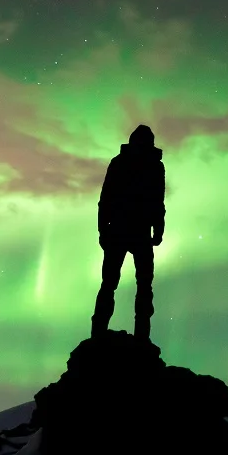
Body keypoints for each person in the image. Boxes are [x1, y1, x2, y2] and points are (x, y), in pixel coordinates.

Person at [92, 124, 166, 340]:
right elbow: (106, 199)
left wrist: (103, 229)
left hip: (126, 230)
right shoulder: (146, 165)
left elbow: (156, 201)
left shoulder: (141, 165)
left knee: (130, 283)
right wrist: (103, 229)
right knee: (121, 282)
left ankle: (129, 336)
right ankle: (120, 336)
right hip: (125, 230)